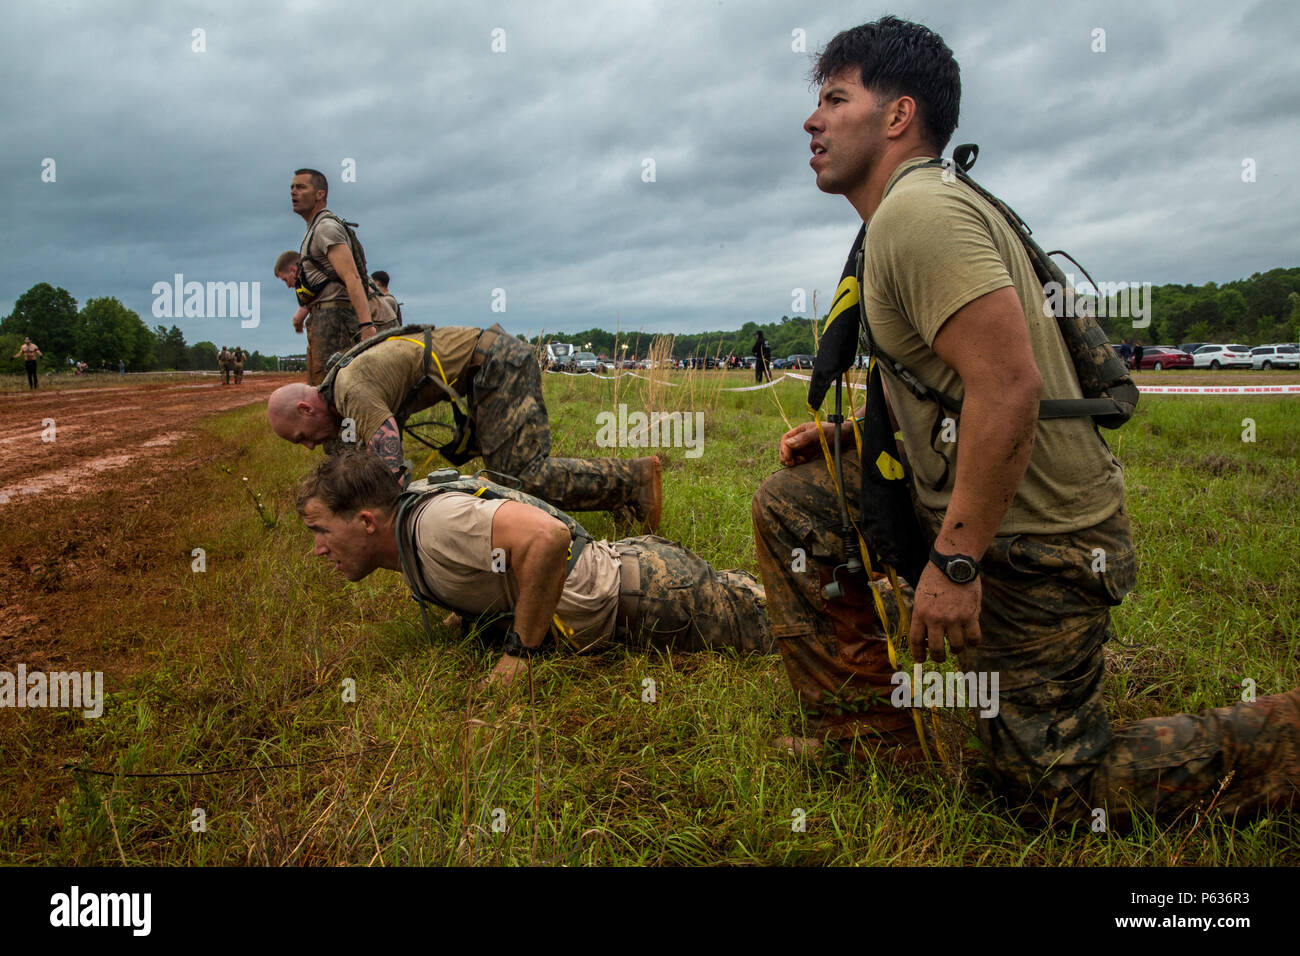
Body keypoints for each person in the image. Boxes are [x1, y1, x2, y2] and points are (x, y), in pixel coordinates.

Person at [751, 16, 1299, 826]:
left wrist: (958, 566)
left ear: (898, 116)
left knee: (1055, 795)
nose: (812, 118)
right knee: (795, 504)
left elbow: (1010, 387)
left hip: (1041, 549)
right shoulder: (916, 210)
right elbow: (952, 381)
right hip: (999, 522)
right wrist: (853, 439)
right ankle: (873, 738)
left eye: (835, 97)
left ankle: (1285, 739)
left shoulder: (917, 217)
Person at [296, 450, 773, 688]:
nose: (318, 550)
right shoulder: (407, 534)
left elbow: (549, 539)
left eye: (320, 530)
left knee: (796, 624)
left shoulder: (433, 526)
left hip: (654, 596)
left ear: (365, 521)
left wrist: (519, 656)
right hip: (633, 583)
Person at [266, 325, 664, 530]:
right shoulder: (343, 390)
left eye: (301, 436)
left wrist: (395, 518)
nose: (307, 446)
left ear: (305, 408)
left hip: (497, 363)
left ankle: (636, 480)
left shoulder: (349, 388)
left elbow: (389, 456)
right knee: (505, 477)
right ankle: (622, 495)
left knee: (522, 476)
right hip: (484, 372)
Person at [288, 169, 393, 385]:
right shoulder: (316, 228)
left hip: (335, 322)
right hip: (327, 321)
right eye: (292, 187)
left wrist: (366, 327)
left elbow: (351, 277)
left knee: (332, 391)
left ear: (320, 194)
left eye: (301, 187)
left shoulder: (326, 228)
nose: (293, 192)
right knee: (325, 390)